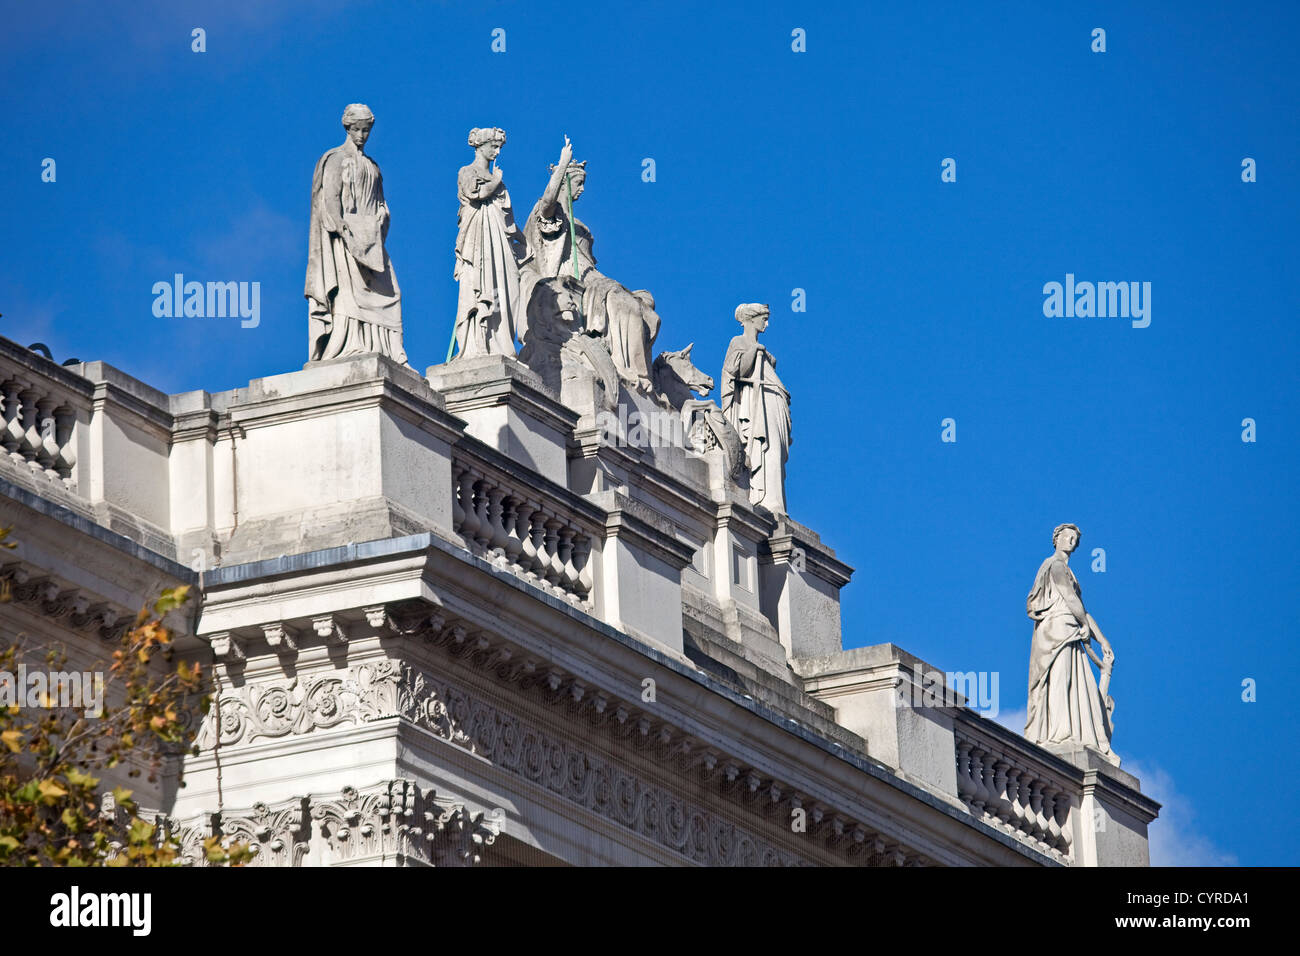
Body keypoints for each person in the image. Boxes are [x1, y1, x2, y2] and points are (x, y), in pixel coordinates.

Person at [524, 138, 660, 392]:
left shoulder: (579, 225)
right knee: (625, 304)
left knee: (646, 305)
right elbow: (547, 202)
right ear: (565, 182)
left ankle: (637, 376)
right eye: (578, 183)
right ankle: (633, 374)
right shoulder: (551, 216)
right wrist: (563, 163)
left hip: (593, 277)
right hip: (570, 280)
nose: (582, 189)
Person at [305, 104, 406, 364]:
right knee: (350, 297)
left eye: (366, 131)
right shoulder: (336, 159)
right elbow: (329, 203)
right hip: (346, 243)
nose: (362, 136)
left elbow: (381, 203)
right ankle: (351, 343)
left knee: (392, 294)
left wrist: (381, 217)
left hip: (372, 240)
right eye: (358, 130)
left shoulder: (373, 167)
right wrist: (347, 232)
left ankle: (388, 349)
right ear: (348, 128)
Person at [1024, 523, 1116, 757]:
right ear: (1057, 539)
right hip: (1058, 632)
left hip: (1069, 630)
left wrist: (1102, 640)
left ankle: (1069, 730)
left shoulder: (1066, 569)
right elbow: (1069, 599)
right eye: (1067, 537)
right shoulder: (1055, 565)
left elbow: (1081, 608)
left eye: (1075, 539)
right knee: (1060, 680)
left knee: (1071, 682)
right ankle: (1059, 731)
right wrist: (1085, 626)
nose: (1071, 541)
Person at [452, 127, 531, 359]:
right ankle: (479, 344)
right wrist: (496, 180)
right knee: (481, 287)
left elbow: (508, 220)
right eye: (493, 146)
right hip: (479, 242)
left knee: (508, 290)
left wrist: (524, 240)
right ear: (480, 146)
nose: (497, 152)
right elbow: (476, 193)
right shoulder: (467, 171)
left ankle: (502, 344)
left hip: (501, 245)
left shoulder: (500, 184)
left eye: (499, 147)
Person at [721, 303, 792, 515]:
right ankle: (765, 500)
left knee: (774, 452)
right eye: (764, 318)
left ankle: (775, 500)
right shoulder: (738, 342)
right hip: (756, 405)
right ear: (752, 319)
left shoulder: (764, 351)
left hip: (771, 401)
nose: (767, 324)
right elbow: (735, 371)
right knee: (764, 449)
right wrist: (755, 350)